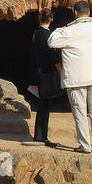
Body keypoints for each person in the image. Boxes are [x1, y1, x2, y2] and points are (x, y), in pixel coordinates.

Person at [46, 2, 92, 154]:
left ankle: (85, 146)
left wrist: (61, 28)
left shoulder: (69, 31)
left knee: (79, 112)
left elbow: (51, 41)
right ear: (89, 12)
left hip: (76, 77)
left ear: (75, 13)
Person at [25, 8, 61, 147]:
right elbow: (53, 56)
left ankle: (40, 135)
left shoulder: (36, 33)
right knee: (44, 106)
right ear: (51, 19)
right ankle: (41, 136)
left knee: (43, 105)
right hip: (47, 73)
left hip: (38, 72)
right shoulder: (49, 35)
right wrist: (60, 72)